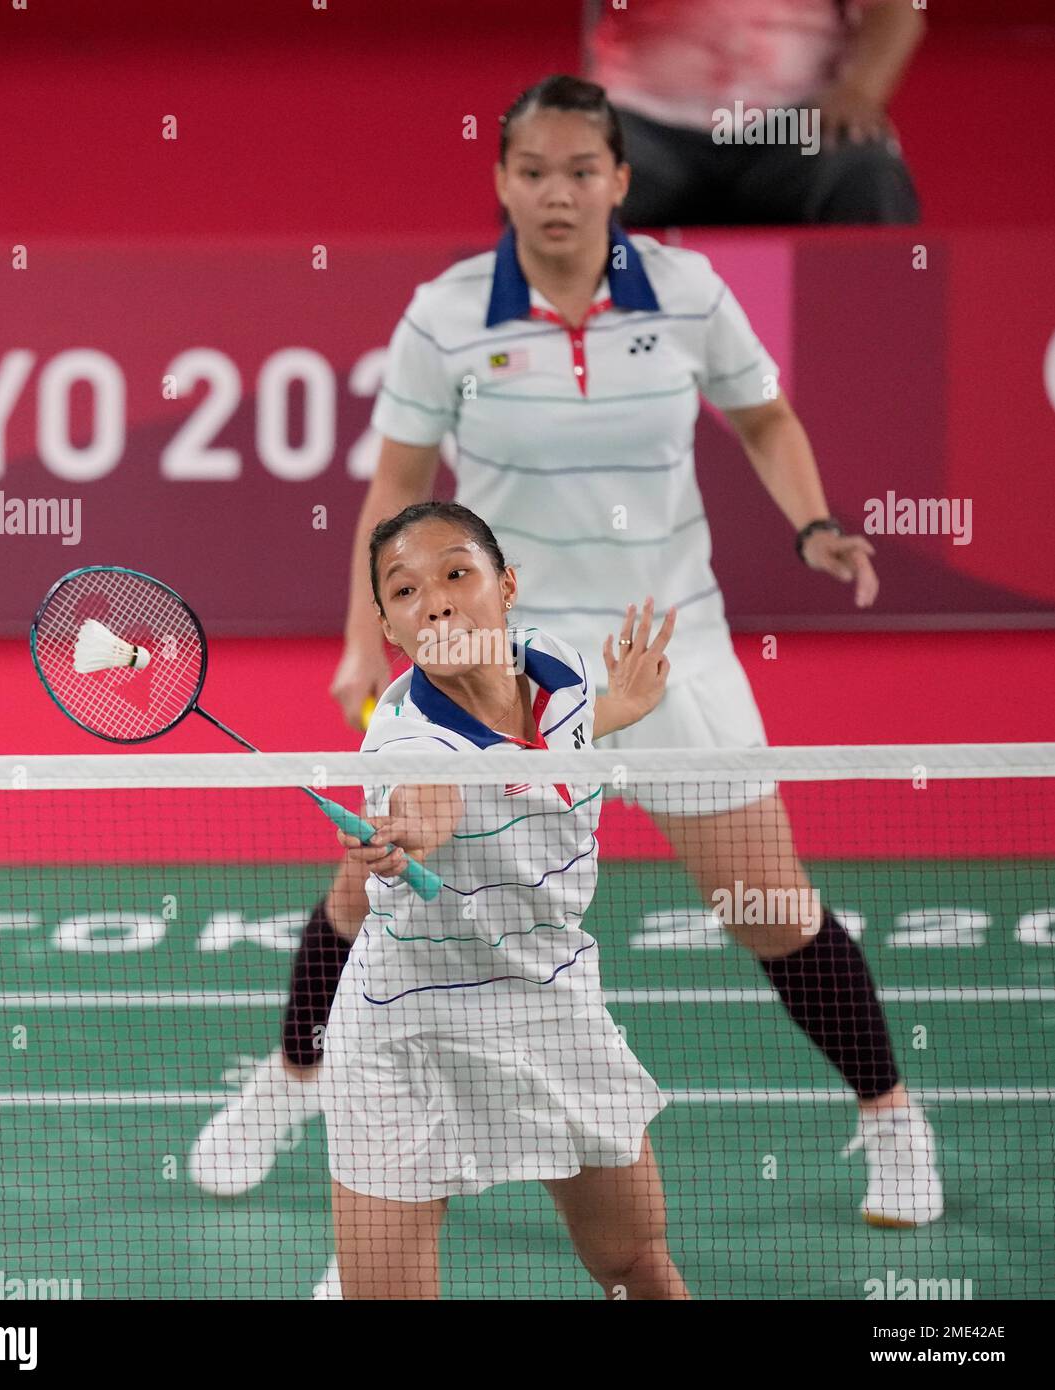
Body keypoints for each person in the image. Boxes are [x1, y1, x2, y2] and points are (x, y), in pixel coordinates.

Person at [189, 77, 942, 1287]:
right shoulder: (446, 315)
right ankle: (292, 1080)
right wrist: (362, 641)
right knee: (365, 889)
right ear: (501, 179)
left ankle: (889, 1115)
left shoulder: (688, 292)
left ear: (618, 179)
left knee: (767, 903)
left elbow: (762, 418)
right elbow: (395, 489)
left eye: (580, 170)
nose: (556, 193)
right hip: (492, 651)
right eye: (532, 170)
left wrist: (810, 524)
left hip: (666, 645)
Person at [322, 500, 683, 1299]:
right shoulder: (408, 740)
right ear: (389, 628)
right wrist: (409, 835)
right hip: (408, 1032)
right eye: (406, 591)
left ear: (506, 585)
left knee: (635, 1266)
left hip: (551, 1003)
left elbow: (568, 731)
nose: (437, 602)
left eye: (457, 573)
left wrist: (625, 703)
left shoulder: (553, 665)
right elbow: (428, 798)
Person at [587, 0, 925, 225]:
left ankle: (881, 315)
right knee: (579, 177)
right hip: (644, 122)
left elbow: (895, 11)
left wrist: (858, 90)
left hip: (795, 123)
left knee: (864, 169)